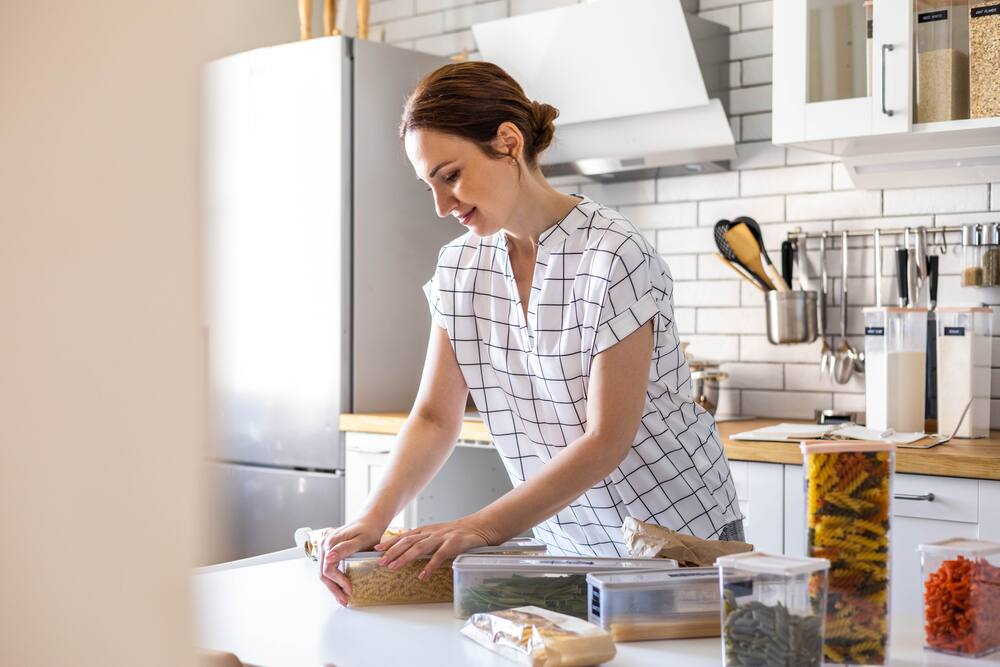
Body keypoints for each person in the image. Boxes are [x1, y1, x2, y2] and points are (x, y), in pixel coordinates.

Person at [319, 62, 742, 604]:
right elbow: (433, 416)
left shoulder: (614, 254)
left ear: (508, 142)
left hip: (677, 538)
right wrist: (372, 519)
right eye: (430, 184)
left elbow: (606, 438)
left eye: (450, 176)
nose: (441, 205)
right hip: (567, 540)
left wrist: (482, 528)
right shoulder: (460, 268)